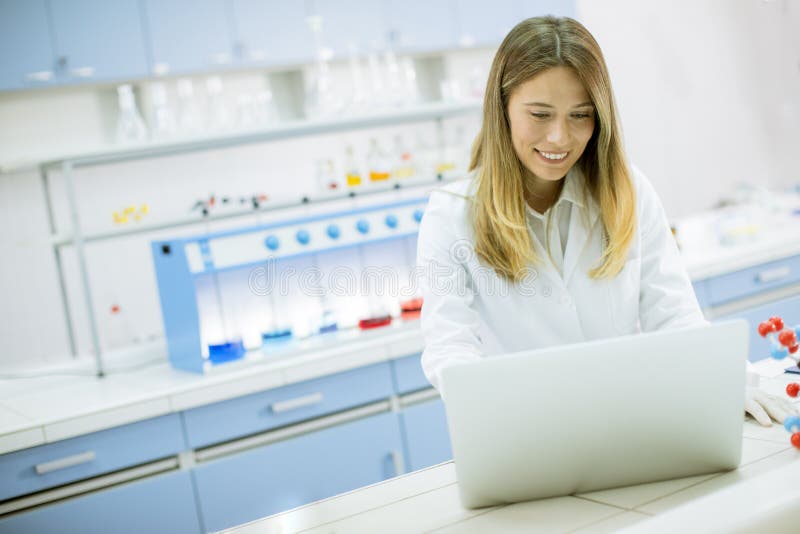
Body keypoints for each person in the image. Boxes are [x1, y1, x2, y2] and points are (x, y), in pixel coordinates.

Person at [417, 16, 795, 426]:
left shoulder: (628, 189)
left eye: (580, 115)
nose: (560, 137)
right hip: (527, 431)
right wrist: (493, 419)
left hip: (630, 422)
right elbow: (449, 349)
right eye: (540, 114)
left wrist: (725, 381)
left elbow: (673, 315)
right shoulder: (451, 215)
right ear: (502, 109)